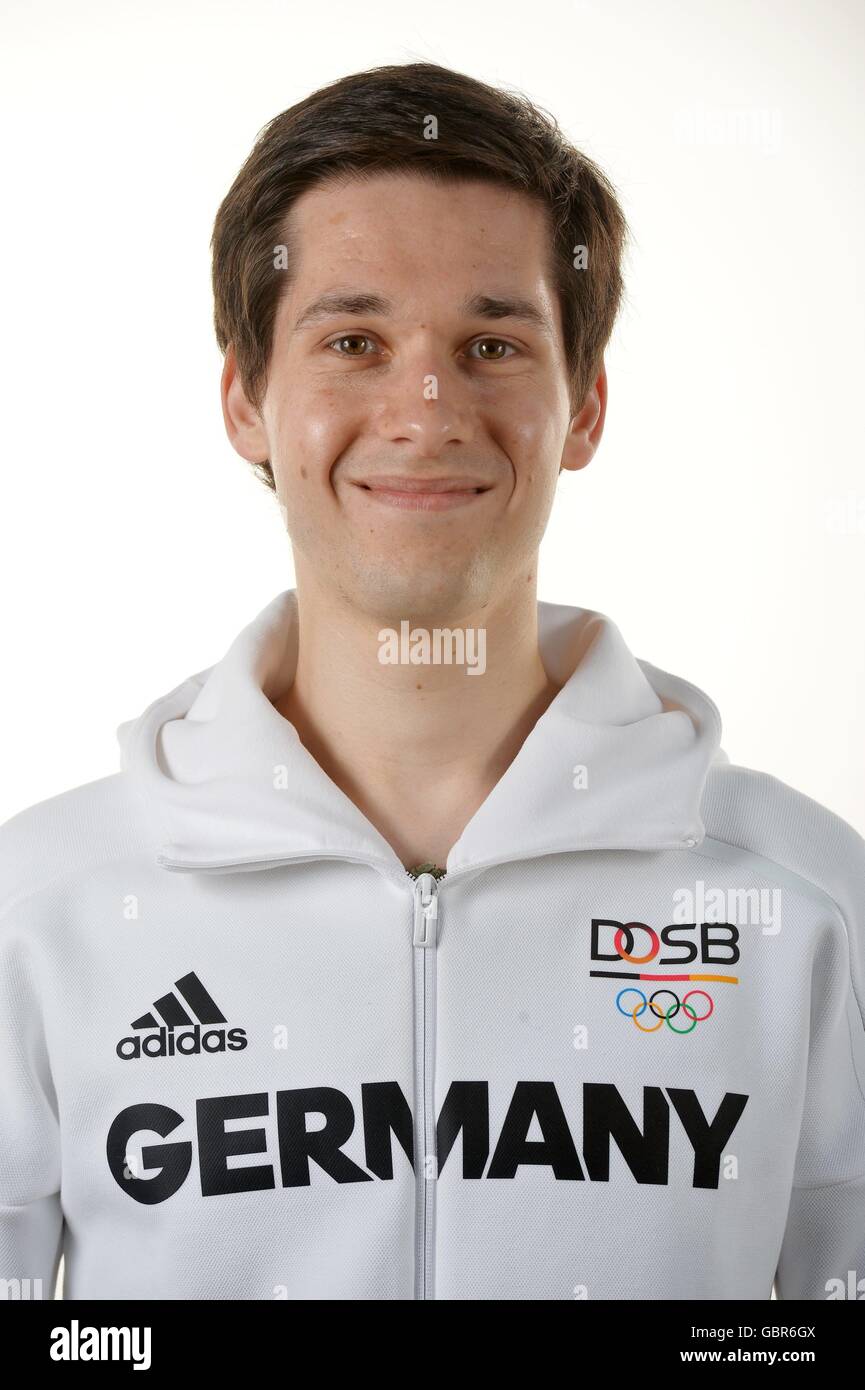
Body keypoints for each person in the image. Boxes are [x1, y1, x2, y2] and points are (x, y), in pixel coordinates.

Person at [1, 61, 863, 1303]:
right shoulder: (43, 916)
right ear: (247, 400)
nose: (425, 407)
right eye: (354, 341)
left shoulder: (805, 903)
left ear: (585, 408)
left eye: (491, 344)